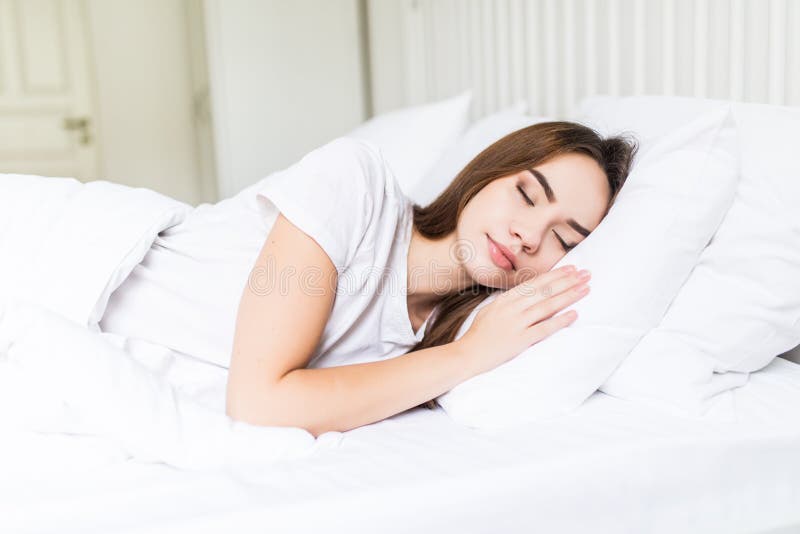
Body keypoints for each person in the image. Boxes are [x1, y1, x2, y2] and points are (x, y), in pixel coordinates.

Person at [100, 121, 636, 439]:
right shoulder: (357, 183)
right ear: (487, 173)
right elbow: (259, 405)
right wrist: (469, 354)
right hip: (70, 263)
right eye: (526, 194)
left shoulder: (427, 341)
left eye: (564, 240)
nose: (528, 237)